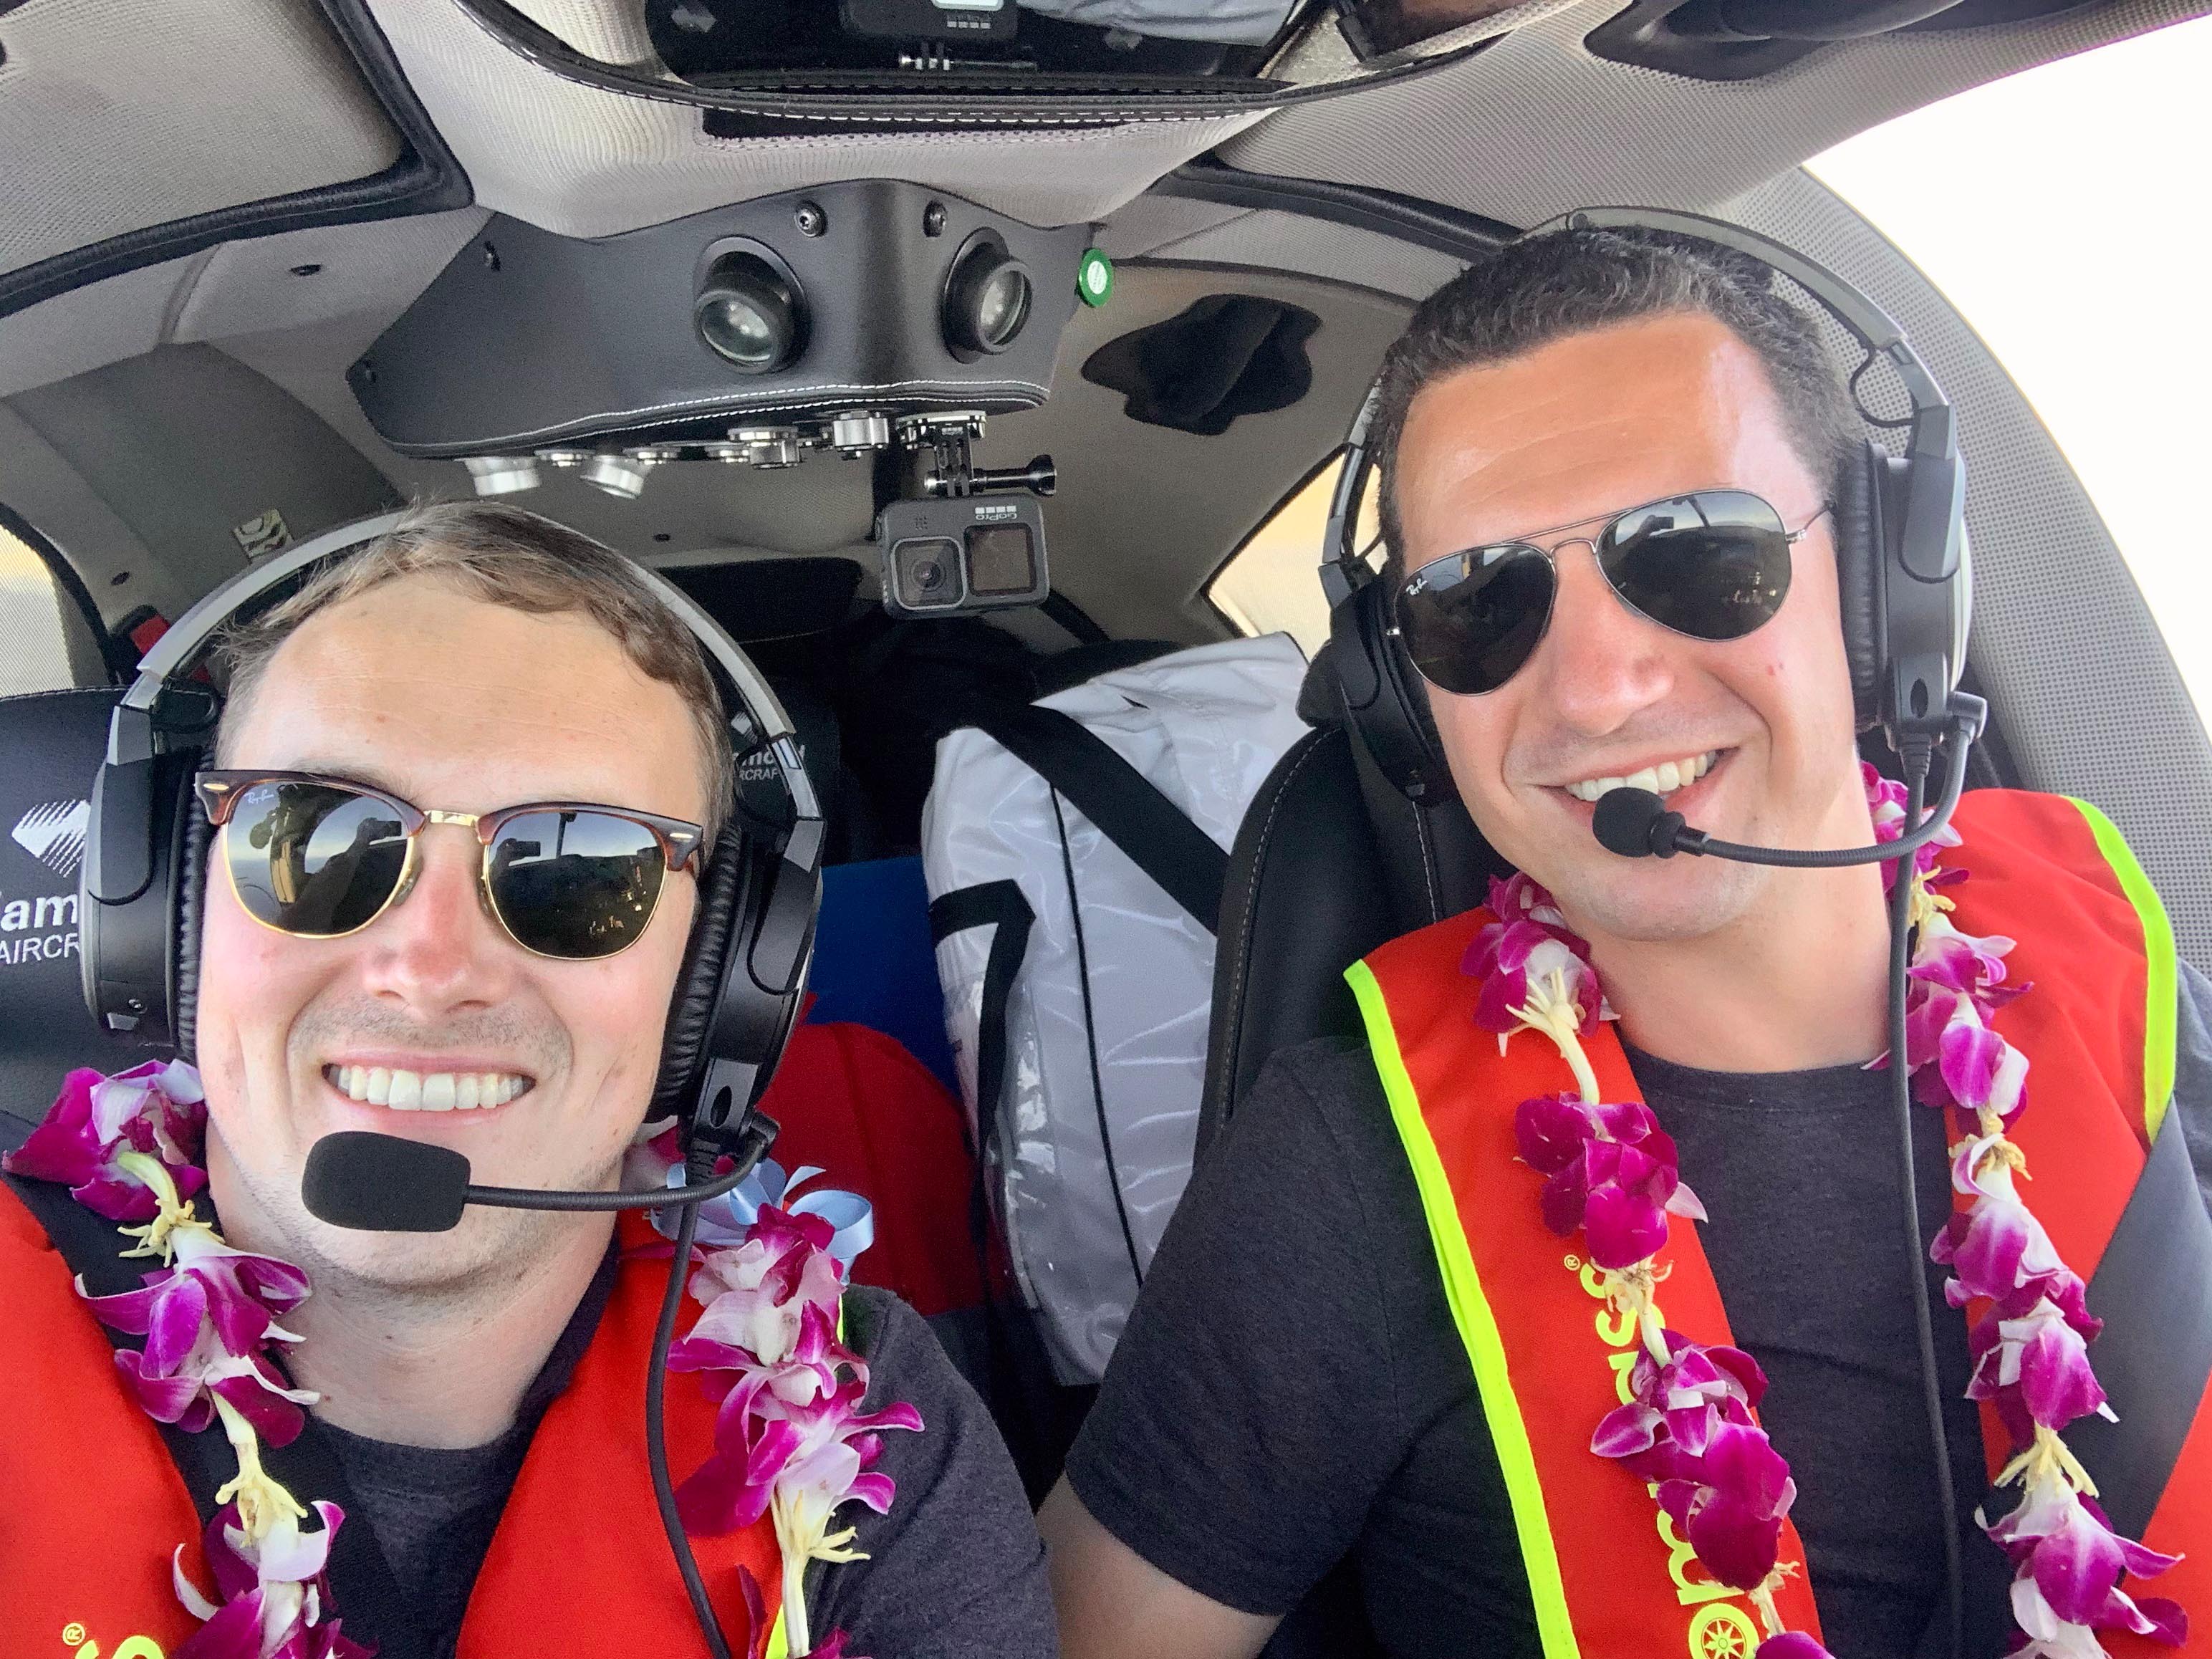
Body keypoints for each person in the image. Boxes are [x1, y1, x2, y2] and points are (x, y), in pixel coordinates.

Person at [1042, 228, 2212, 1659]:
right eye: (1478, 603)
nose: (1595, 691)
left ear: (1879, 592)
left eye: (1695, 552)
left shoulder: (2131, 994)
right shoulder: (1346, 1174)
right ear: (1407, 700)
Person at [1, 503, 1055, 1659]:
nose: (430, 968)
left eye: (577, 867)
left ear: (728, 978)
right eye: (318, 835)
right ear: (168, 909)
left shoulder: (871, 1426)